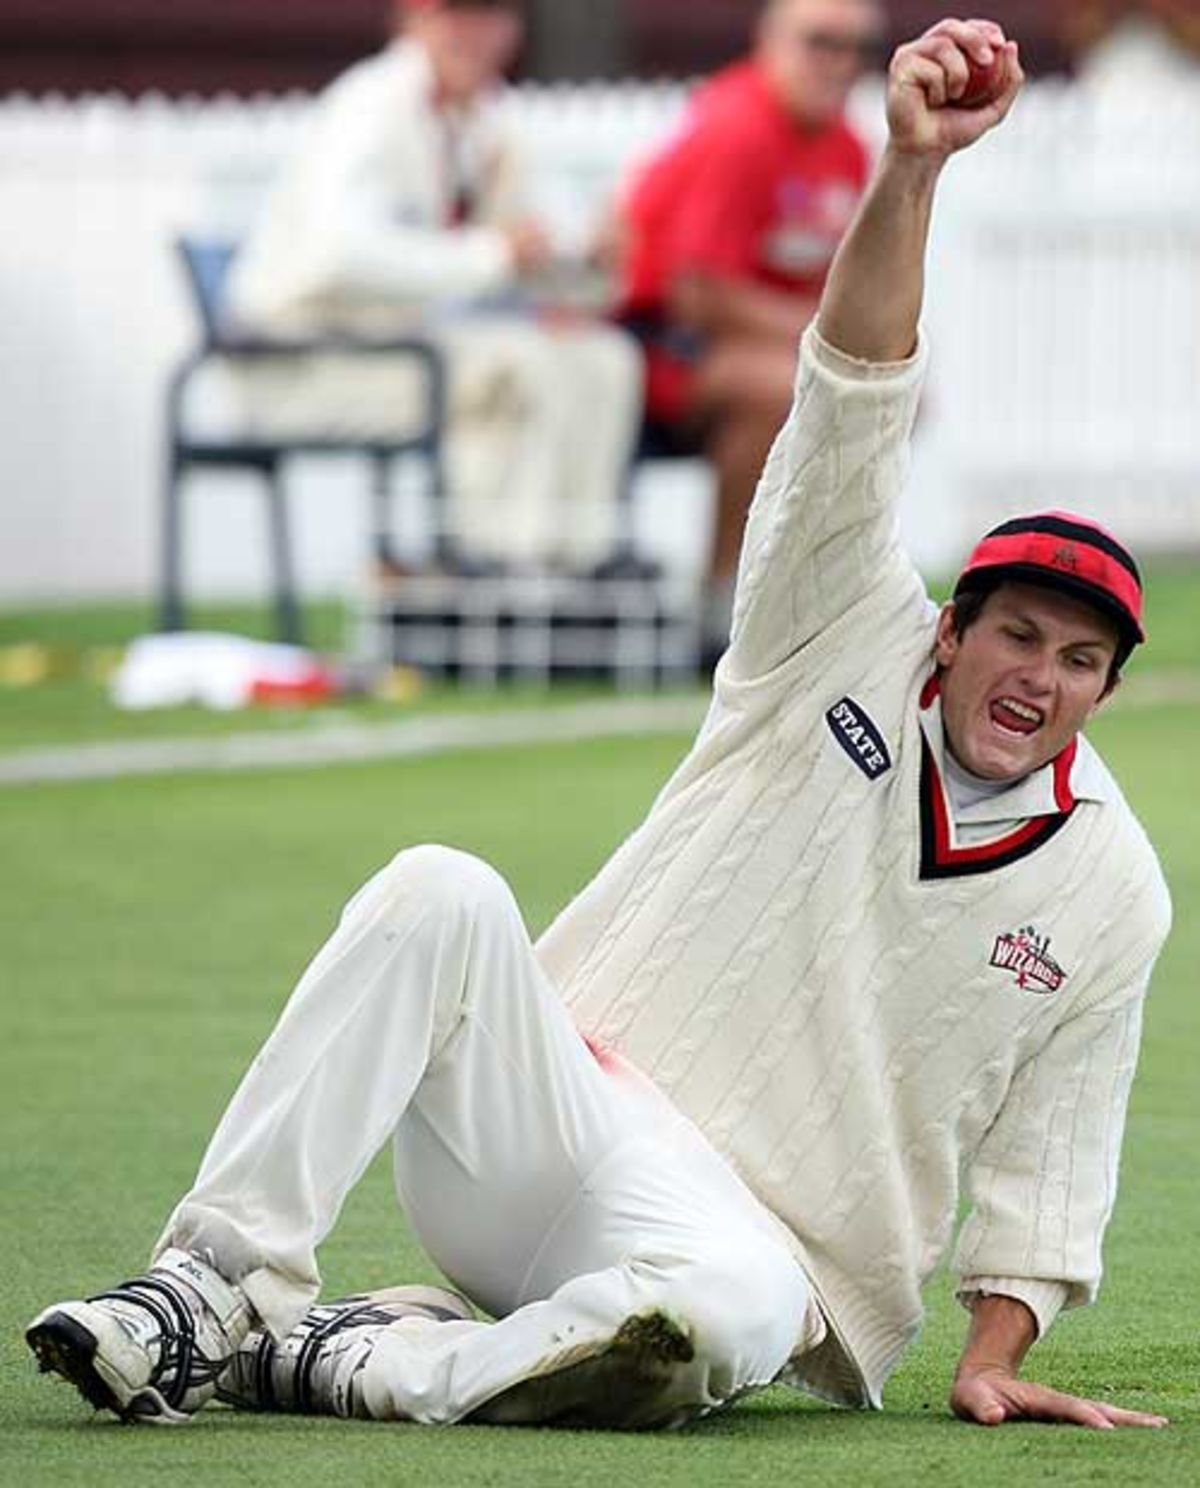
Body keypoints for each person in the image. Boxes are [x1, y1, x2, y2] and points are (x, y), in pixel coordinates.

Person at [28, 18, 1172, 1433]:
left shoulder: (1115, 886)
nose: (1035, 677)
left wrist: (997, 1345)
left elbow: (1060, 1146)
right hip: (555, 1106)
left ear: (1104, 691)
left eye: (1076, 660)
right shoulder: (838, 629)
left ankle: (332, 1357)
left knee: (709, 1325)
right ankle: (210, 1286)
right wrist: (912, 168)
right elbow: (853, 398)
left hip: (762, 1250)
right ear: (950, 628)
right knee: (438, 886)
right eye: (1012, 633)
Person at [226, 0, 643, 575]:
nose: (476, 32)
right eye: (457, 12)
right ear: (413, 16)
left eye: (493, 14)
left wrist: (589, 262)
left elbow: (541, 251)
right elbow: (339, 254)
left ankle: (577, 573)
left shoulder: (487, 119)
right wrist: (492, 254)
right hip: (299, 360)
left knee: (604, 360)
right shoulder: (373, 103)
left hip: (400, 352)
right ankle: (494, 575)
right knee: (513, 367)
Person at [616, 0, 881, 653]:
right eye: (821, 42)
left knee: (871, 393)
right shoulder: (738, 128)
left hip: (754, 346)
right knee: (787, 388)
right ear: (772, 41)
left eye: (856, 47)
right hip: (659, 349)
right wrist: (819, 337)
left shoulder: (846, 147)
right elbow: (694, 292)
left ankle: (811, 599)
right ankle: (723, 601)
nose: (838, 64)